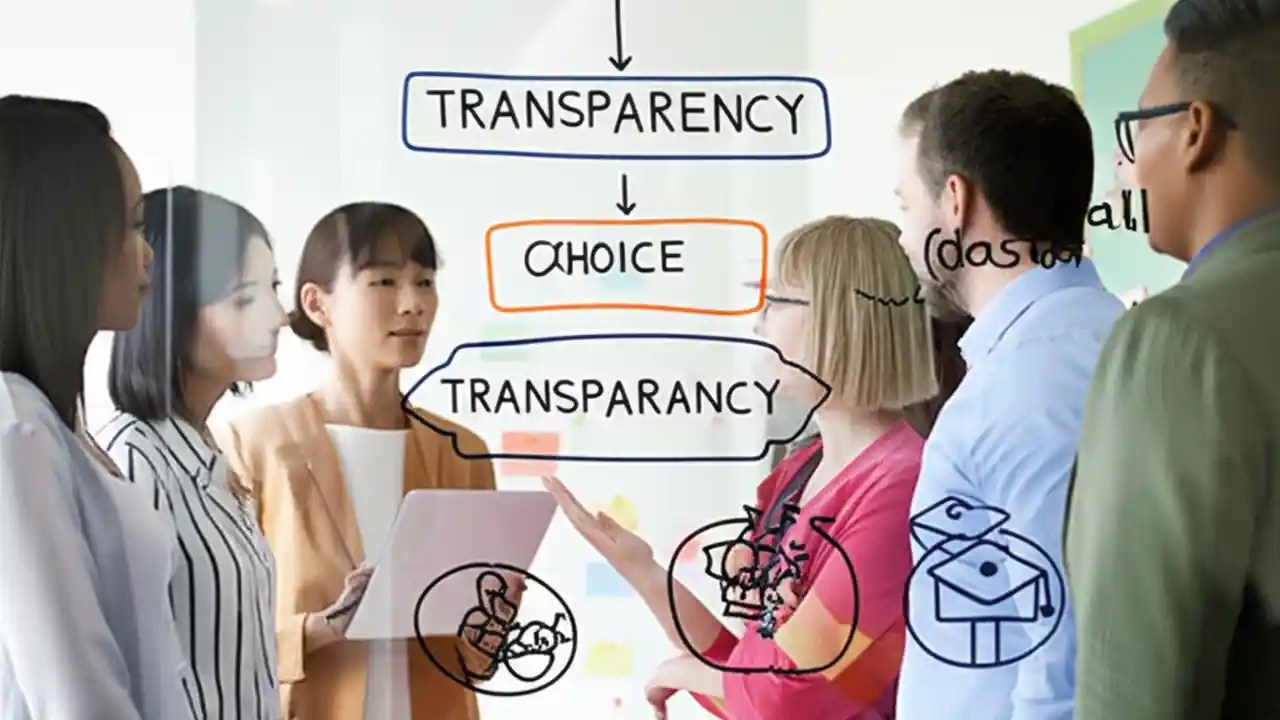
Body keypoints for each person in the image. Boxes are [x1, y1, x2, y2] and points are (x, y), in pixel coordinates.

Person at [545, 215, 940, 720]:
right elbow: (744, 679)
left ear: (841, 317)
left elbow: (788, 698)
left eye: (776, 302)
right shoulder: (797, 473)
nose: (758, 324)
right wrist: (641, 570)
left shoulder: (899, 488)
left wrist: (680, 672)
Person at [1065, 1, 1280, 717]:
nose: (1126, 169)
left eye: (1136, 129)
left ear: (1196, 130)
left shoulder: (1179, 341)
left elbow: (1138, 686)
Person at [891, 72, 1124, 720]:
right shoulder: (1089, 338)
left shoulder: (1028, 383)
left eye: (906, 207)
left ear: (955, 201)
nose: (904, 239)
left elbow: (1066, 659)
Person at [216, 202, 506, 720]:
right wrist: (319, 629)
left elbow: (475, 663)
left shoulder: (463, 453)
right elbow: (213, 638)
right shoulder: (251, 445)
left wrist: (490, 627)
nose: (413, 304)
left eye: (424, 282)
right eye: (384, 282)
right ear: (317, 303)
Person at [0, 96, 188, 718]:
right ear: (63, 239)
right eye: (133, 226)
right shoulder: (17, 428)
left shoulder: (54, 423)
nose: (148, 252)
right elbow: (76, 697)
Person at [97, 186, 288, 719]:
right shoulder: (133, 461)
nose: (279, 315)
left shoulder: (210, 454)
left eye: (273, 288)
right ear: (170, 310)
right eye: (245, 298)